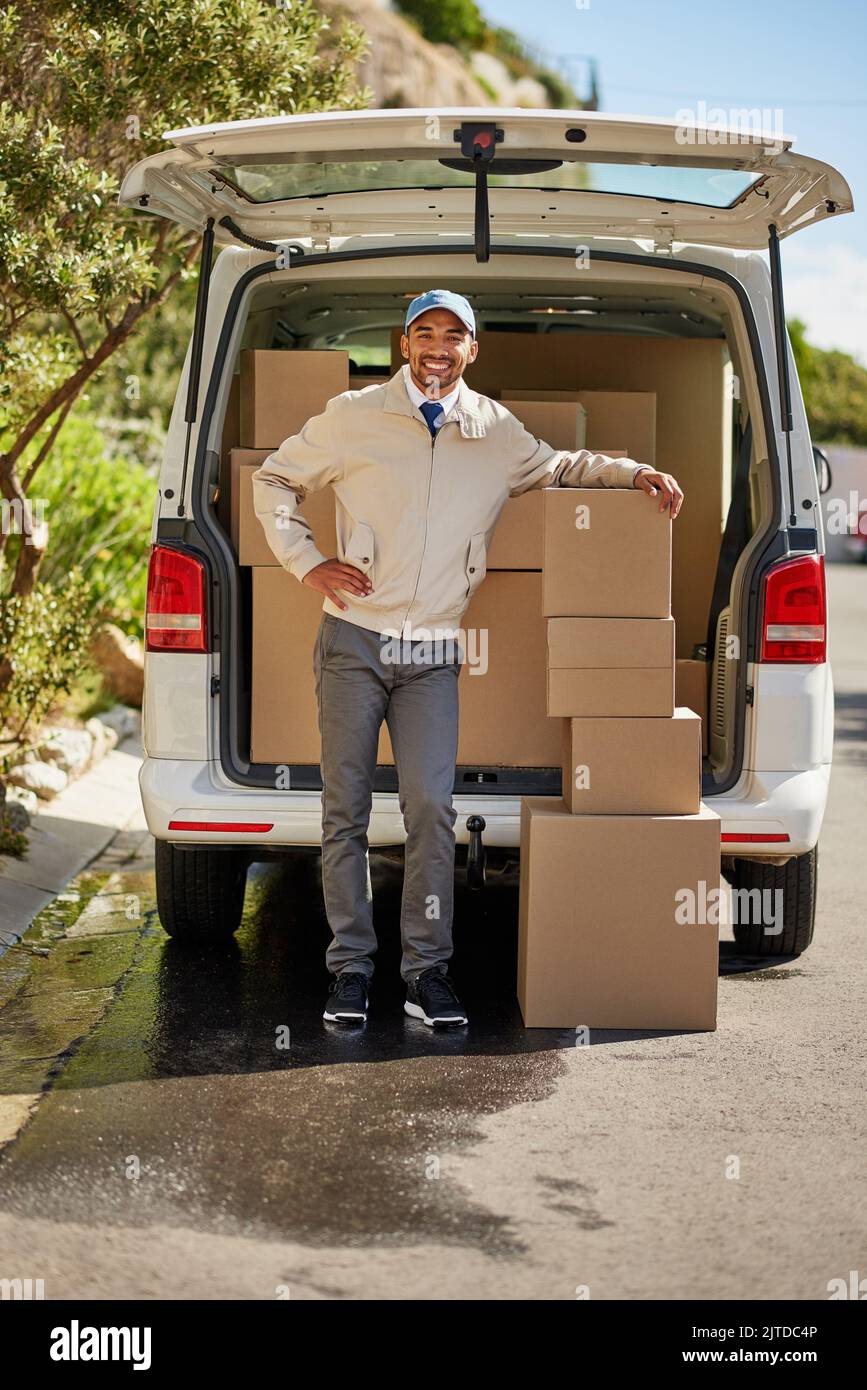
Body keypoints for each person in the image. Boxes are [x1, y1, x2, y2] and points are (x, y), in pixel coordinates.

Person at [251, 289, 684, 1029]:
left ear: (472, 351)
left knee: (431, 810)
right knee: (344, 812)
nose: (438, 347)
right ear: (404, 343)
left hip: (432, 653)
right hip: (352, 640)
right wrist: (307, 563)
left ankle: (427, 974)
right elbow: (273, 480)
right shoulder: (354, 416)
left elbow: (561, 467)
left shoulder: (494, 430)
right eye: (425, 333)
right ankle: (349, 972)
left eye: (454, 336)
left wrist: (633, 472)